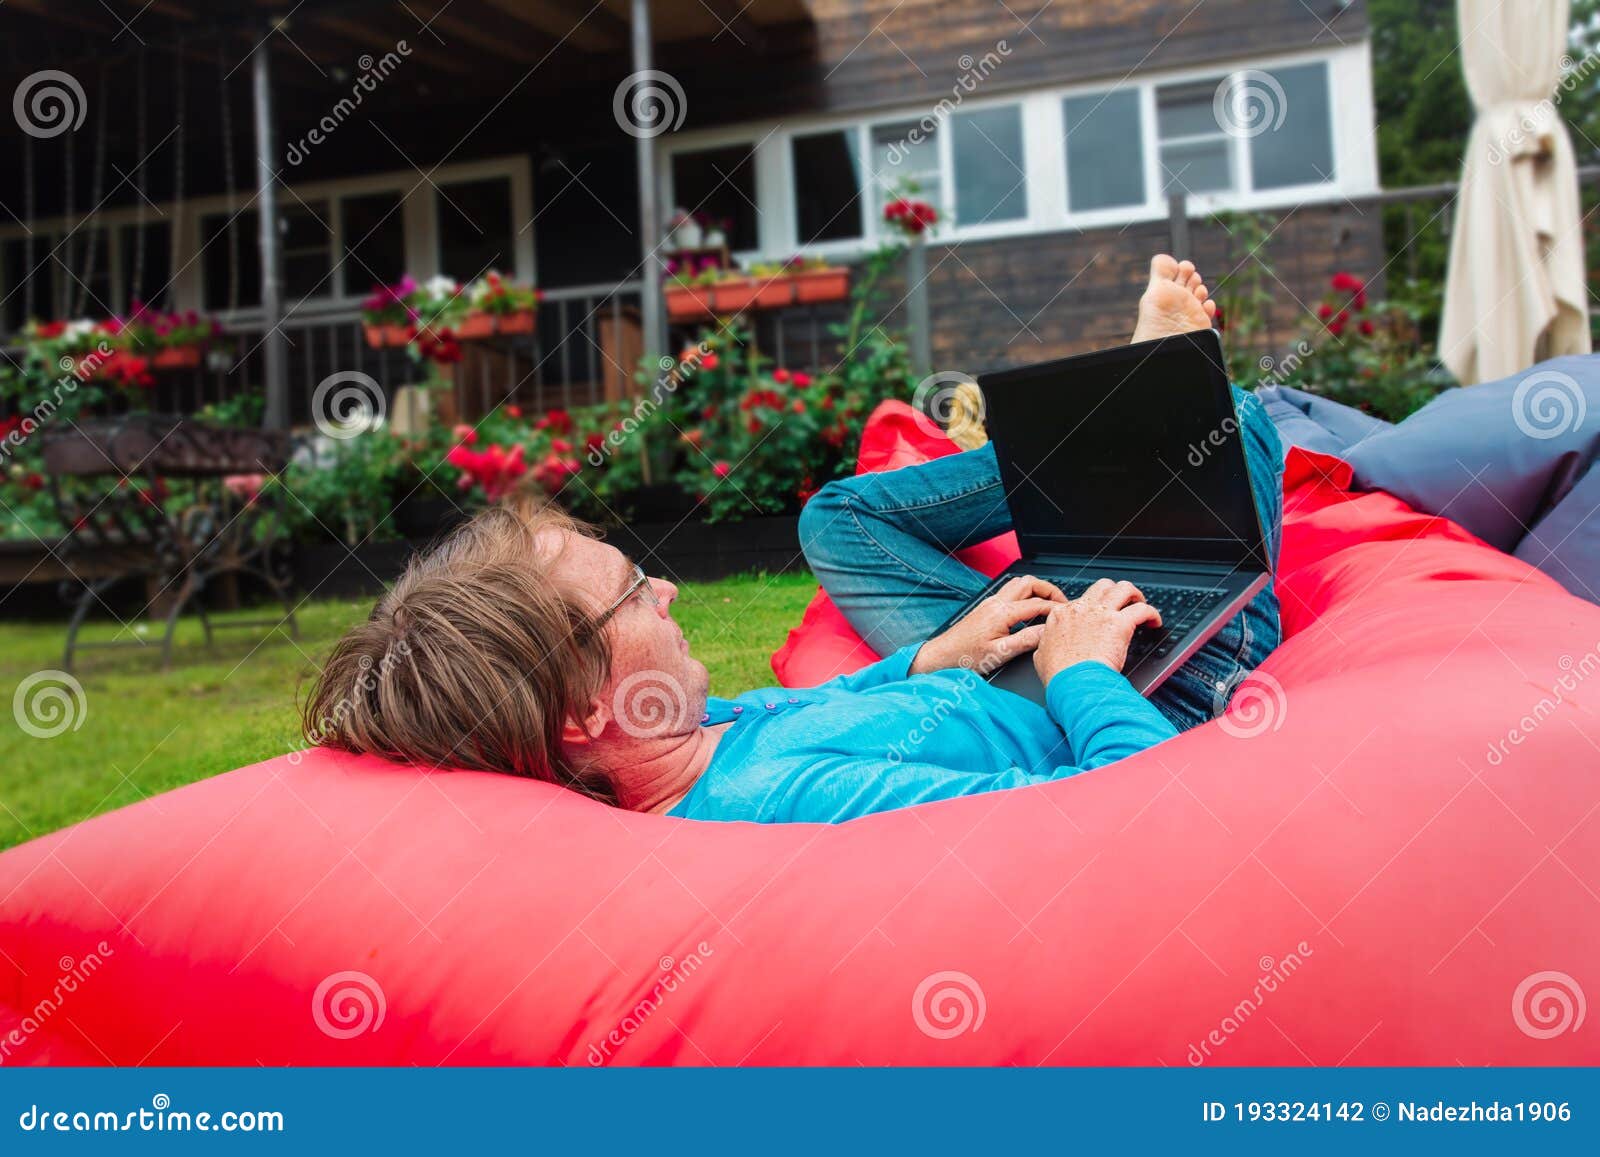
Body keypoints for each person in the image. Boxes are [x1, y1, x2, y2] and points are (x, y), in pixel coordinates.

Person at [305, 256, 1283, 824]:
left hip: (1008, 667)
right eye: (633, 591)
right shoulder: (785, 797)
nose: (668, 590)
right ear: (585, 706)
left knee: (837, 518)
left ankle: (1119, 432)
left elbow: (821, 703)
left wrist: (936, 655)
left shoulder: (691, 731)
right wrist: (1084, 673)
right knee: (1234, 419)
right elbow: (1133, 818)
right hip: (1149, 688)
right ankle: (1147, 410)